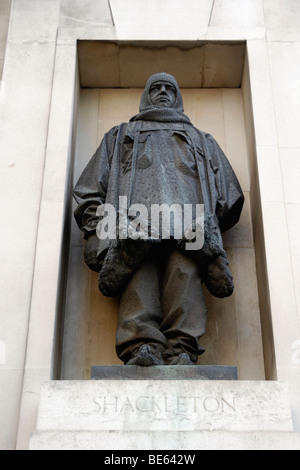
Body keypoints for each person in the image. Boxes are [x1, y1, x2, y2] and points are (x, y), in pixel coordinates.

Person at [73, 73, 244, 366]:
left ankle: (182, 349)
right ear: (146, 95)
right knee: (139, 277)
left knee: (184, 276)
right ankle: (141, 345)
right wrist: (100, 232)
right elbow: (89, 190)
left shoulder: (202, 140)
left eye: (169, 88)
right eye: (156, 87)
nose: (163, 91)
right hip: (137, 227)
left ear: (177, 96)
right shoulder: (120, 135)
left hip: (189, 227)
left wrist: (209, 227)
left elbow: (230, 195)